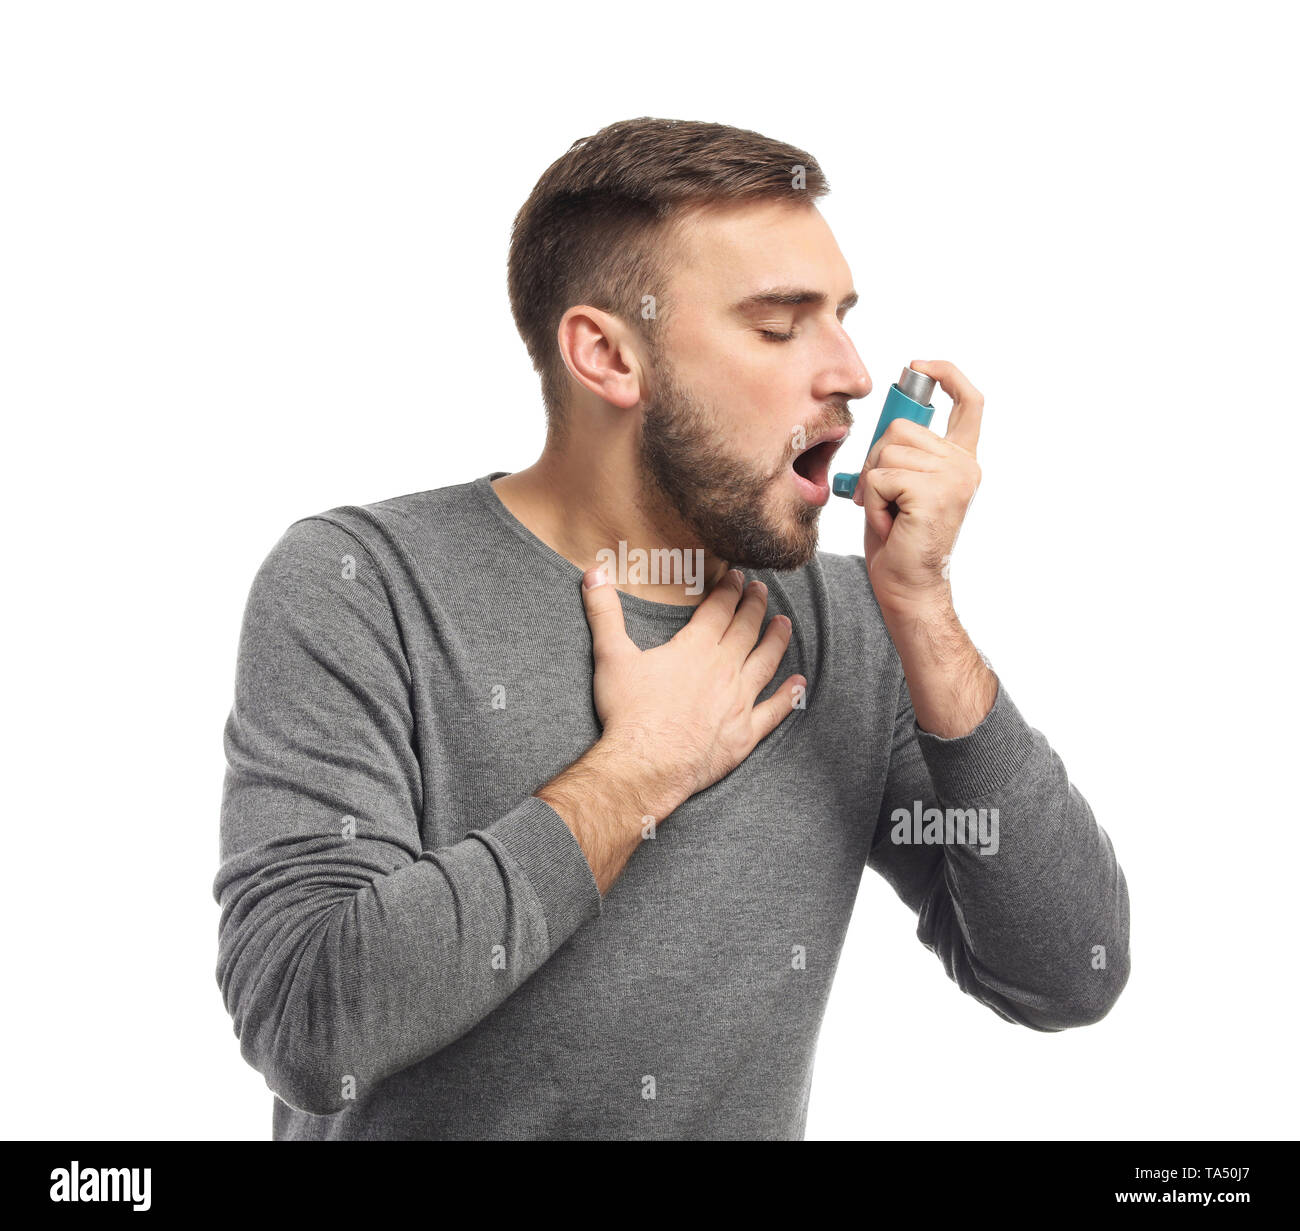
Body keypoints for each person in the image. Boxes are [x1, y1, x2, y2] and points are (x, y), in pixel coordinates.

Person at [214, 117, 1130, 1140]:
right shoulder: (361, 583)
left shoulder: (857, 626)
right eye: (780, 326)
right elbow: (308, 1023)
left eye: (840, 317)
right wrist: (638, 771)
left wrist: (922, 611)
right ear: (607, 353)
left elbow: (1066, 970)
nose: (852, 373)